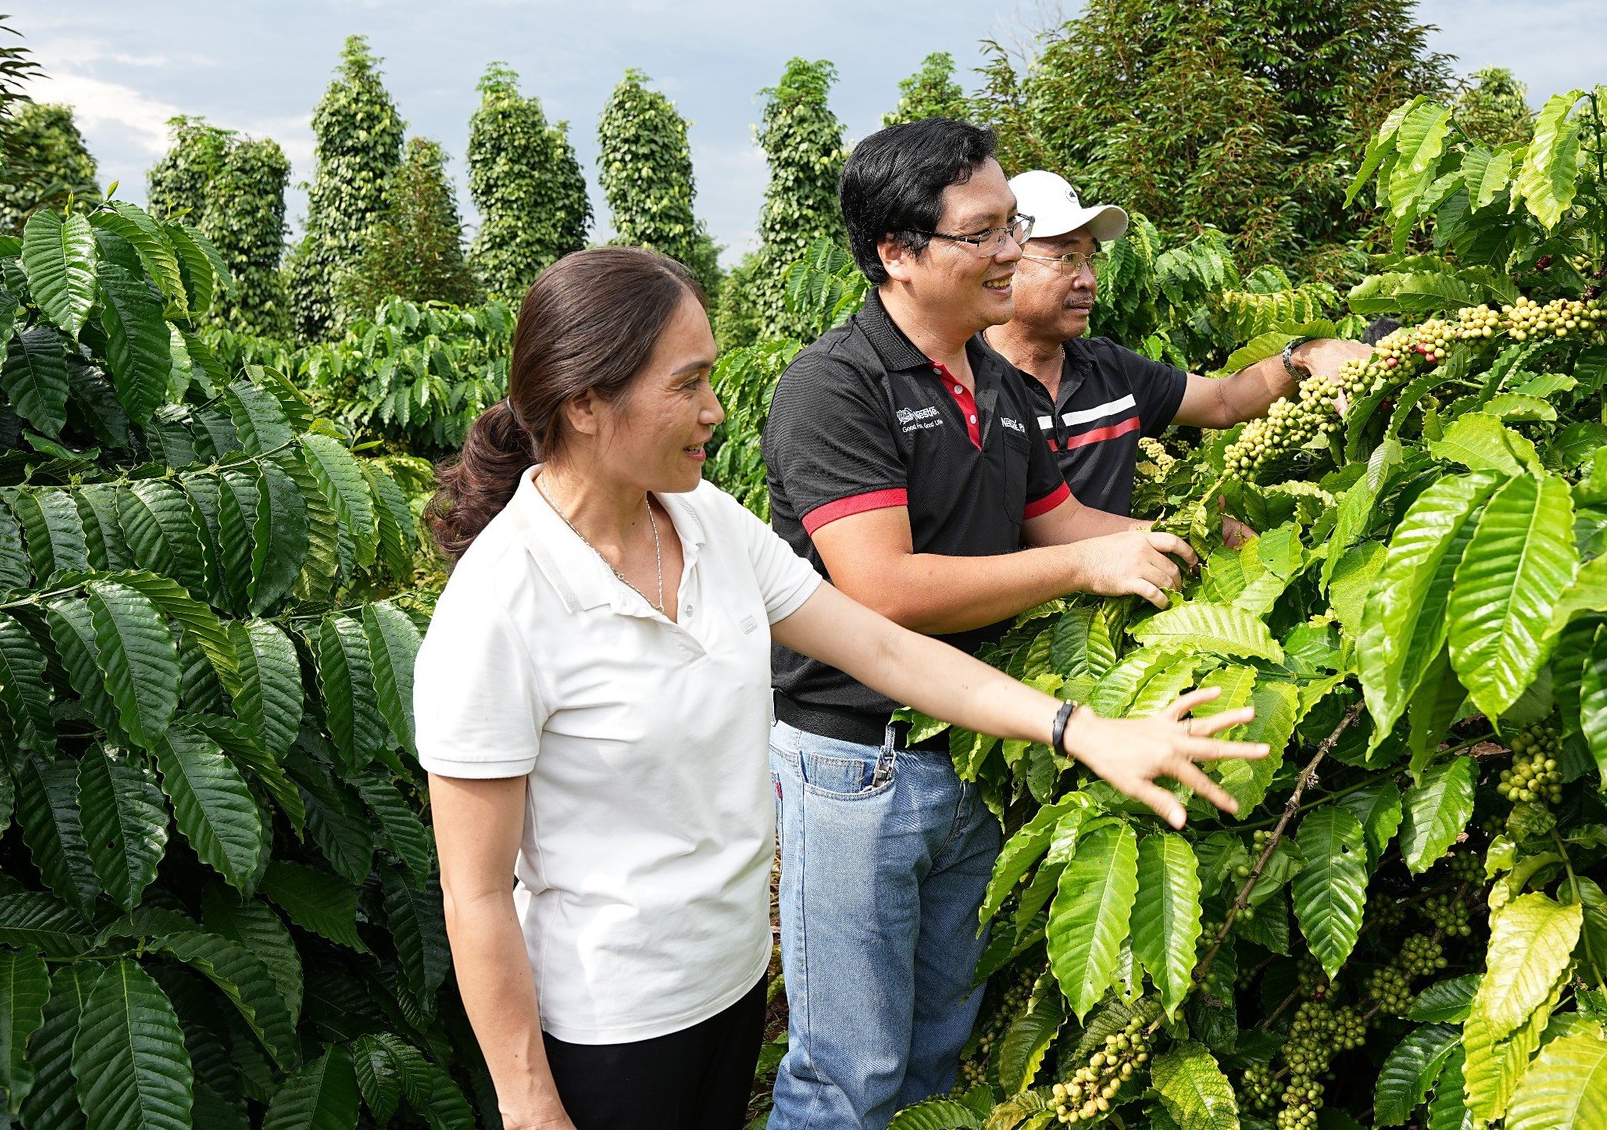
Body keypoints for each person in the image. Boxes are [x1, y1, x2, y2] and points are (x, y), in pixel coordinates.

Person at [415, 247, 1273, 1130]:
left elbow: (884, 651)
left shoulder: (706, 523)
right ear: (587, 403)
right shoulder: (501, 604)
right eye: (688, 385)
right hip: (606, 1029)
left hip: (733, 988)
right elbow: (474, 893)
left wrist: (1080, 728)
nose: (715, 411)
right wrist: (527, 1104)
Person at [761, 121, 1231, 1130]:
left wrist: (1208, 542)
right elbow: (876, 587)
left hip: (979, 740)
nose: (1012, 253)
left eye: (1011, 226)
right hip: (857, 763)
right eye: (984, 233)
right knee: (848, 1070)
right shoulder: (834, 388)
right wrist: (1076, 564)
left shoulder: (1005, 386)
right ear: (898, 251)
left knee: (937, 1049)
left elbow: (1066, 520)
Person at [985, 170, 1377, 517]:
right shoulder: (963, 383)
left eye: (1090, 259)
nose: (1087, 279)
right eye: (1067, 257)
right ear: (1008, 261)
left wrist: (1308, 354)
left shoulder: (1110, 370)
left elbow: (1226, 400)